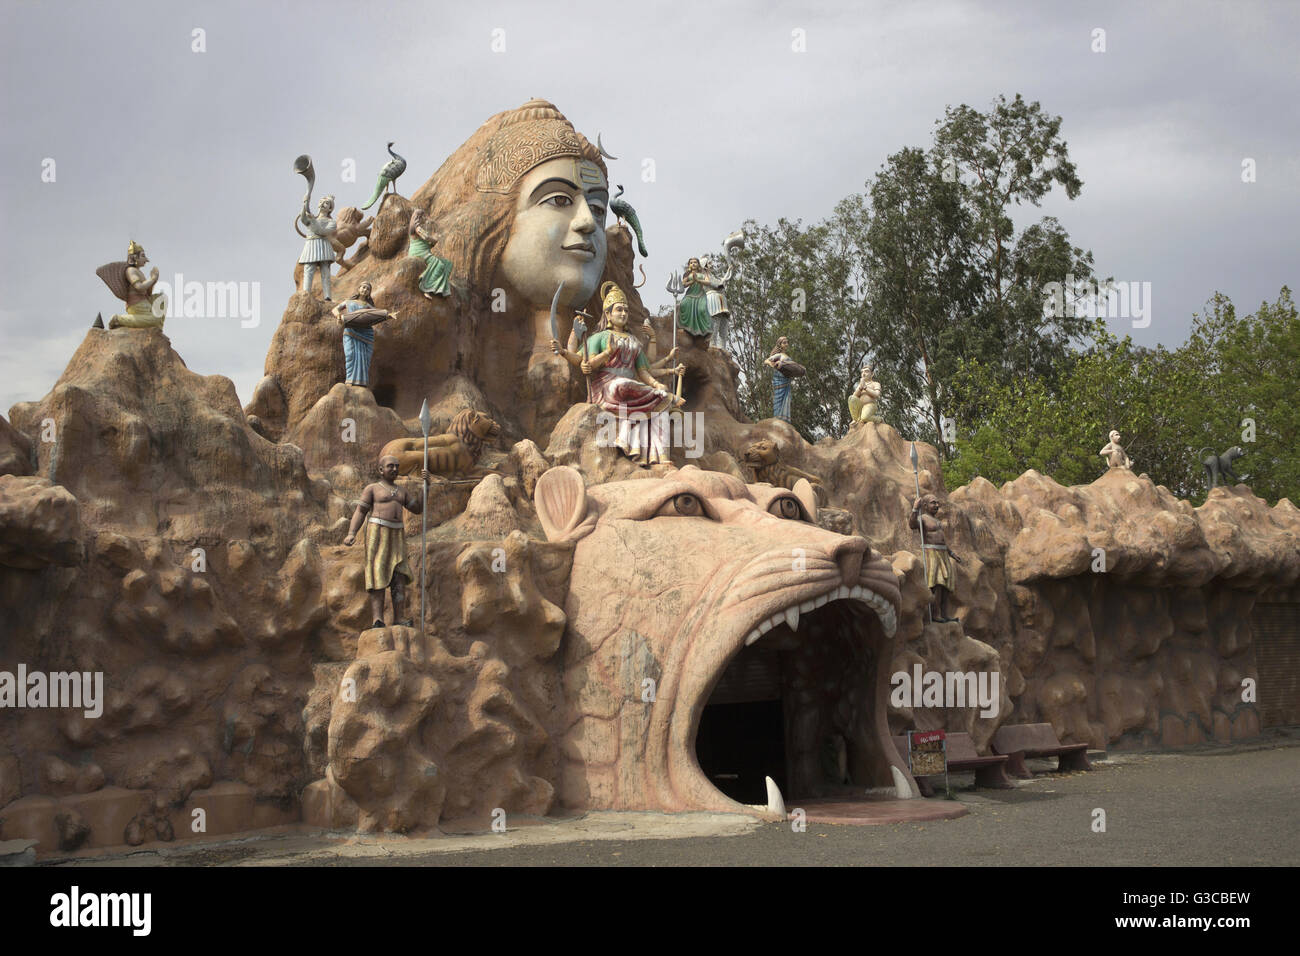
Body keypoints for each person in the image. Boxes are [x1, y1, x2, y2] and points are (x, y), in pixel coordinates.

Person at [550, 281, 684, 465]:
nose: (623, 314)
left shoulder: (633, 341)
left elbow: (643, 371)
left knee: (661, 398)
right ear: (608, 314)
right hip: (607, 386)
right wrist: (566, 348)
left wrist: (655, 384)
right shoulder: (599, 337)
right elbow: (581, 360)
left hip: (630, 388)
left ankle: (658, 455)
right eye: (619, 310)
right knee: (622, 385)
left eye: (626, 311)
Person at [344, 455, 431, 629]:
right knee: (378, 572)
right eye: (390, 466)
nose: (394, 469)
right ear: (381, 470)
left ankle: (399, 617)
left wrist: (425, 486)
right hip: (378, 532)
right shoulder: (373, 489)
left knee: (398, 574)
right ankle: (378, 619)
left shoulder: (402, 491)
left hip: (397, 533)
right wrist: (352, 533)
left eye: (397, 466)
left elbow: (417, 508)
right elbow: (361, 511)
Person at [909, 494, 962, 623]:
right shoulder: (922, 518)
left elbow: (942, 541)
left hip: (943, 554)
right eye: (933, 503)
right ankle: (935, 614)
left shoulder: (937, 521)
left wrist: (951, 553)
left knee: (946, 585)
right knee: (937, 584)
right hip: (931, 553)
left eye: (937, 503)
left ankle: (944, 614)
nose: (936, 505)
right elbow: (912, 524)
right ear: (925, 505)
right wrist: (915, 509)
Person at [334, 281, 397, 387]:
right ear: (358, 289)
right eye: (363, 287)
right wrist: (339, 316)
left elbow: (377, 314)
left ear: (369, 293)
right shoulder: (348, 302)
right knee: (350, 355)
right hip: (350, 331)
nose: (365, 290)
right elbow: (335, 309)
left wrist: (389, 315)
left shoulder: (368, 306)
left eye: (367, 289)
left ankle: (361, 382)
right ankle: (349, 380)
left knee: (364, 358)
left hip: (365, 334)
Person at [96, 241, 166, 329]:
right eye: (143, 256)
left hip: (145, 301)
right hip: (137, 304)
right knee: (155, 319)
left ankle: (157, 326)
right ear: (134, 258)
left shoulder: (139, 272)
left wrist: (153, 281)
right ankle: (118, 319)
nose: (146, 260)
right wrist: (152, 279)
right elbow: (139, 287)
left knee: (162, 298)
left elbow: (148, 292)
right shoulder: (130, 271)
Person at [407, 209, 453, 299]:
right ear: (419, 217)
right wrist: (436, 239)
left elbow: (426, 241)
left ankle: (440, 287)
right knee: (438, 264)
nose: (425, 219)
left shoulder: (418, 228)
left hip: (424, 251)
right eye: (424, 216)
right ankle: (426, 287)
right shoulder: (417, 228)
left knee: (447, 263)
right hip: (419, 252)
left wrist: (432, 242)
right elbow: (426, 237)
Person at [299, 194, 338, 300]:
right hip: (311, 244)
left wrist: (313, 220)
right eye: (321, 201)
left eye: (326, 203)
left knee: (325, 270)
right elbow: (303, 219)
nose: (322, 204)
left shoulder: (332, 222)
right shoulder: (311, 218)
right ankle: (306, 293)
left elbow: (322, 231)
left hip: (323, 245)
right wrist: (305, 204)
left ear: (330, 208)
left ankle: (327, 296)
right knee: (309, 268)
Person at [765, 337, 798, 422]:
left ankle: (784, 419)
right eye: (784, 343)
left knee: (787, 398)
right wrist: (773, 364)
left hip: (786, 380)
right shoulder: (779, 355)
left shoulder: (787, 356)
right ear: (780, 344)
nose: (786, 344)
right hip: (779, 380)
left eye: (787, 342)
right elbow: (767, 361)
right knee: (778, 399)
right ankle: (777, 418)